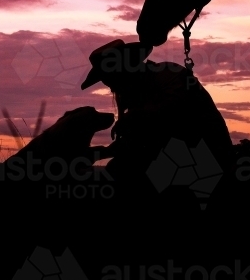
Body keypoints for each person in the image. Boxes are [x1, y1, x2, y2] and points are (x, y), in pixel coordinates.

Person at [80, 40, 234, 181]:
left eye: (114, 81)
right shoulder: (140, 94)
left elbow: (171, 116)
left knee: (123, 172)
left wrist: (133, 118)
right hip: (184, 161)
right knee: (118, 169)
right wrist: (101, 153)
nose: (113, 88)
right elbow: (138, 142)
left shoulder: (171, 76)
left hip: (209, 161)